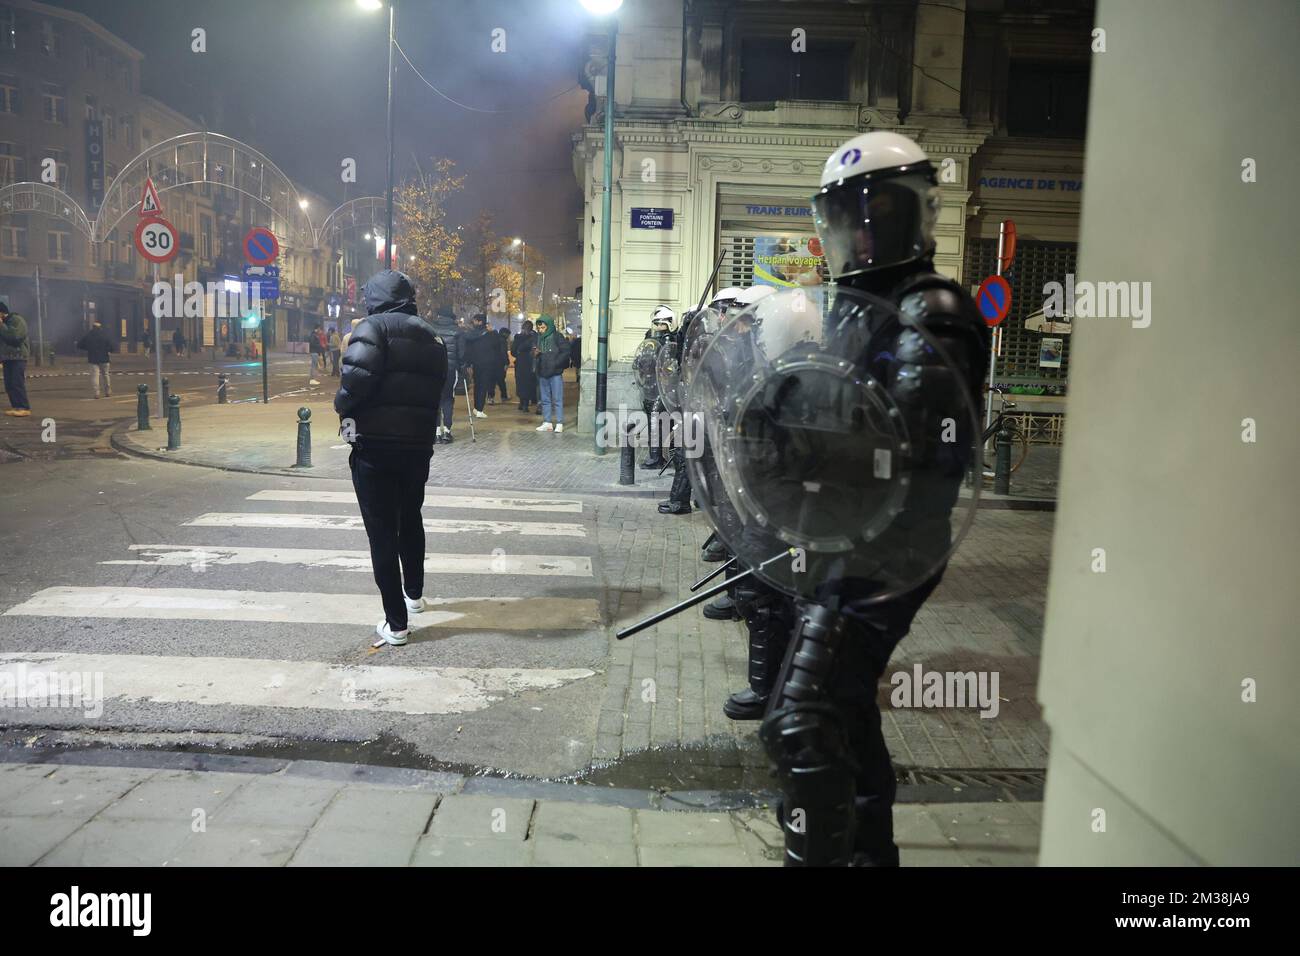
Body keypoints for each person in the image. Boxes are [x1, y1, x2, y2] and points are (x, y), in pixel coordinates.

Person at [752, 132, 989, 866]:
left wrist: (815, 443)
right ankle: (869, 853)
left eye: (877, 213)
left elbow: (915, 451)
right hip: (843, 538)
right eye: (846, 216)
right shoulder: (857, 308)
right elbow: (835, 414)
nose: (859, 233)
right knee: (843, 710)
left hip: (889, 550)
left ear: (911, 213)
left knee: (802, 720)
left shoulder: (932, 308)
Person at [334, 270, 447, 648]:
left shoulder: (373, 328)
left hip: (376, 446)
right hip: (417, 446)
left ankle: (396, 623)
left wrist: (340, 405)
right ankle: (414, 594)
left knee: (381, 530)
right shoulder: (432, 336)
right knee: (411, 517)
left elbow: (355, 383)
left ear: (375, 298)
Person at [428, 304, 463, 443]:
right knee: (448, 399)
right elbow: (462, 353)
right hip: (450, 369)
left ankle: (436, 433)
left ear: (439, 316)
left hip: (433, 369)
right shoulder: (458, 331)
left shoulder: (431, 330)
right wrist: (462, 368)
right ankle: (447, 432)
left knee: (435, 399)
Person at [532, 314, 568, 432]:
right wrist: (535, 353)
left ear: (549, 326)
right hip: (542, 372)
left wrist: (556, 363)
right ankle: (547, 422)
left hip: (555, 373)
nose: (541, 330)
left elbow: (566, 351)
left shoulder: (557, 337)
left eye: (543, 327)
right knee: (545, 399)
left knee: (557, 399)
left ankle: (559, 423)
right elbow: (533, 352)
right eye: (539, 328)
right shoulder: (538, 338)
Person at [0, 301, 32, 417]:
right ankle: (16, 407)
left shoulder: (17, 320)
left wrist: (1, 326)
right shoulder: (3, 323)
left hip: (18, 356)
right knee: (9, 384)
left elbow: (15, 337)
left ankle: (24, 407)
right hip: (7, 358)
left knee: (16, 382)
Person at [461, 313, 495, 418]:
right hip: (486, 363)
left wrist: (468, 363)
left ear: (480, 322)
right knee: (482, 386)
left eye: (475, 320)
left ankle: (477, 408)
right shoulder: (489, 334)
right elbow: (495, 346)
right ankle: (479, 409)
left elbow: (468, 349)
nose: (473, 322)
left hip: (476, 363)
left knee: (478, 385)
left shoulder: (471, 334)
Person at [76, 318, 115, 398]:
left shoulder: (89, 335)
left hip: (93, 359)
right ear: (100, 327)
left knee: (95, 376)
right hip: (104, 358)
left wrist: (88, 348)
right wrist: (108, 350)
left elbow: (79, 345)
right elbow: (112, 347)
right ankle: (108, 391)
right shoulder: (105, 335)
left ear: (93, 327)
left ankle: (96, 393)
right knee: (106, 375)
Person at [511, 319, 538, 412]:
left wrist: (519, 355)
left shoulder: (518, 337)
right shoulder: (534, 338)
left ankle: (521, 402)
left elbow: (513, 351)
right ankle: (525, 404)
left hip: (520, 363)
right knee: (529, 383)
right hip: (530, 363)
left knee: (520, 383)